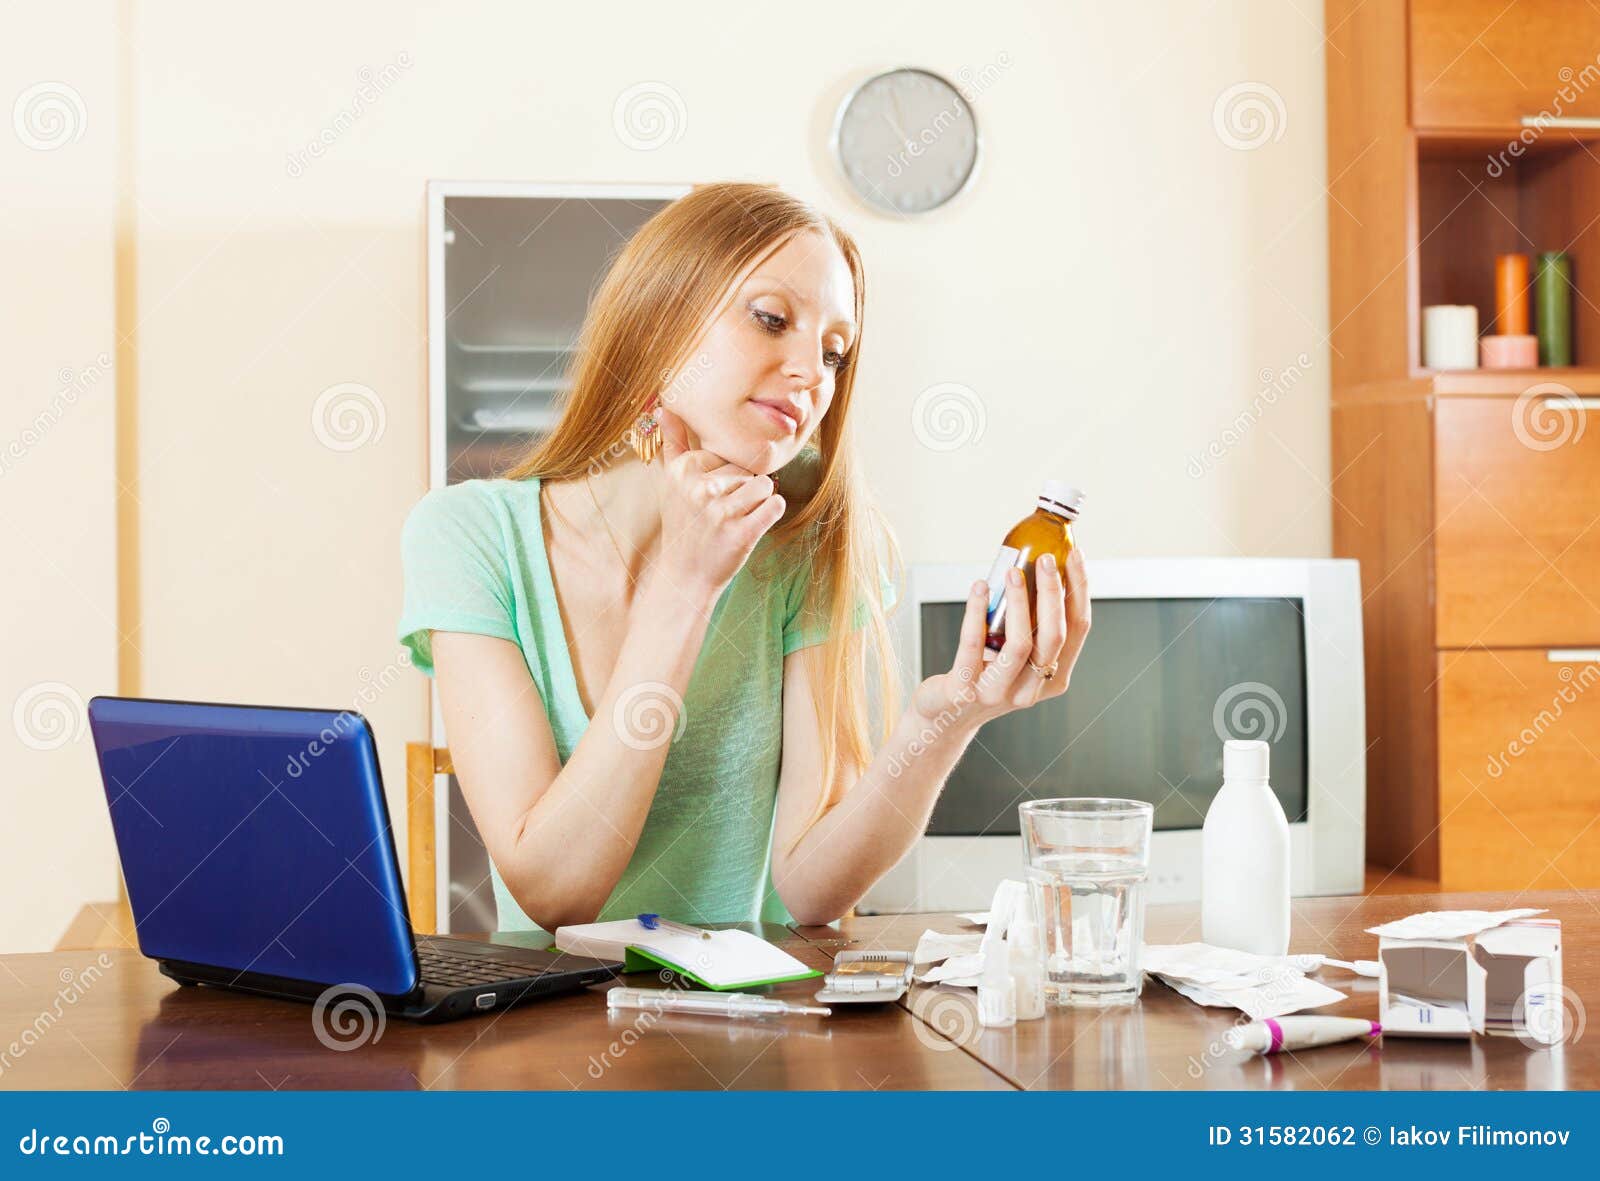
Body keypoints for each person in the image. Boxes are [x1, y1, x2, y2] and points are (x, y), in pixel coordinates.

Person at [397, 182, 1090, 933]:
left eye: (834, 352)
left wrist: (945, 719)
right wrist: (685, 587)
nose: (812, 374)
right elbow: (555, 895)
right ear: (657, 320)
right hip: (548, 1031)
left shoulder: (811, 546)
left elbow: (808, 890)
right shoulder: (467, 536)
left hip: (746, 1031)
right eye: (770, 319)